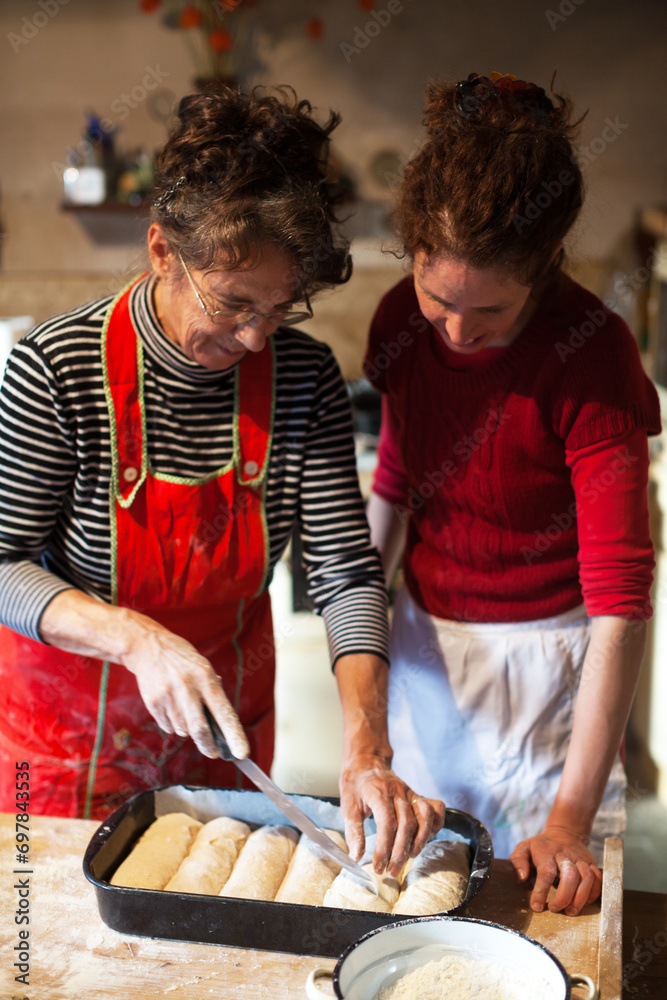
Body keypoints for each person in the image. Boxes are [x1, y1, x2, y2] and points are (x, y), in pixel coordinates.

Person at [0, 86, 443, 872]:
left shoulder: (301, 378)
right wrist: (135, 639)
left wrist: (366, 746)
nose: (252, 338)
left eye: (279, 310)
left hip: (223, 751)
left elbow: (343, 573)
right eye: (234, 303)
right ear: (162, 250)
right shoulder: (55, 370)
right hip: (68, 750)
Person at [364, 73, 662, 915]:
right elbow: (395, 478)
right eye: (436, 296)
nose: (454, 332)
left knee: (538, 914)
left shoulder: (590, 355)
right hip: (424, 653)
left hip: (556, 670)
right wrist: (361, 640)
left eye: (489, 312)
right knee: (415, 904)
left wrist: (567, 818)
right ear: (412, 253)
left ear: (545, 271)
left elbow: (619, 601)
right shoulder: (395, 322)